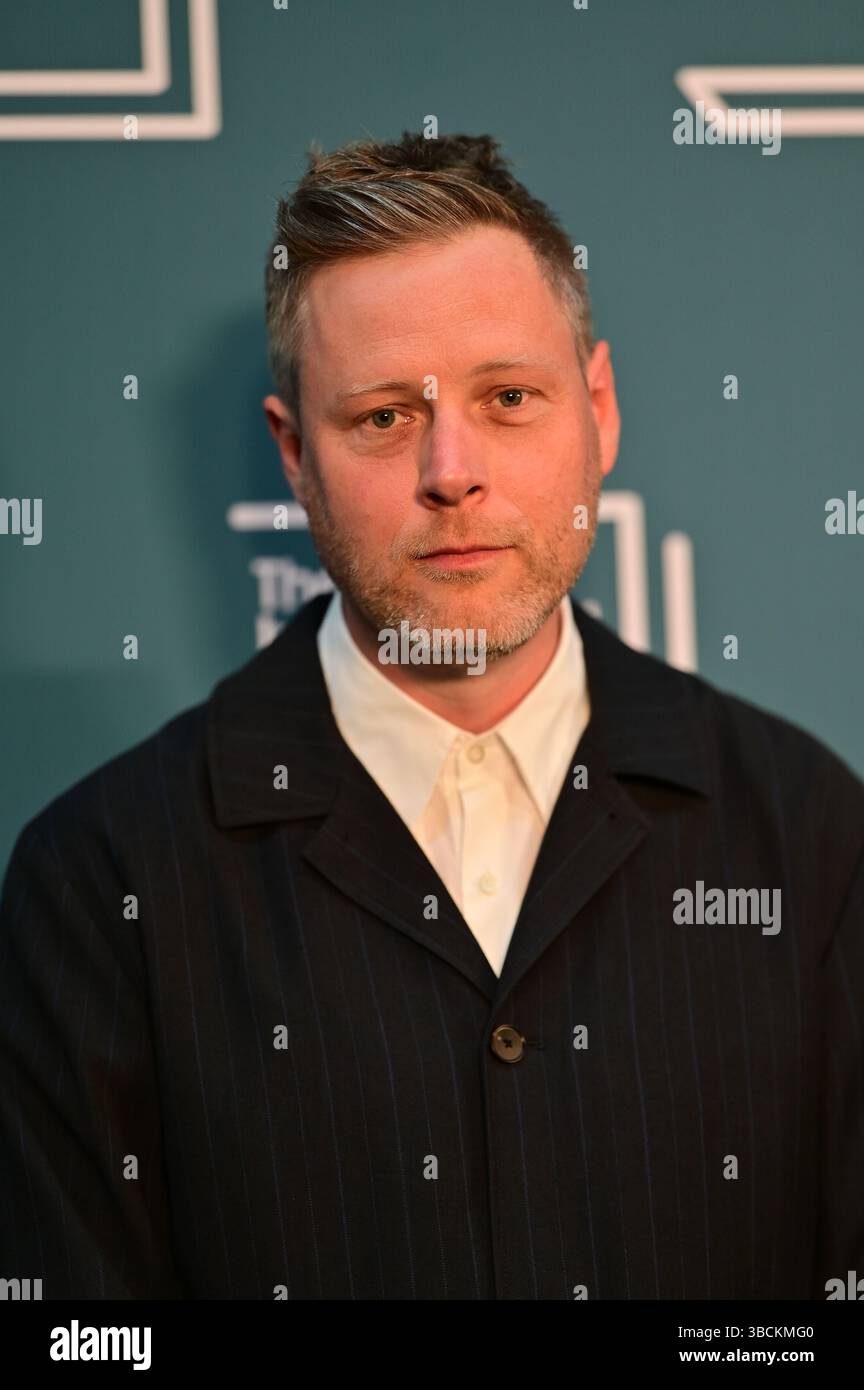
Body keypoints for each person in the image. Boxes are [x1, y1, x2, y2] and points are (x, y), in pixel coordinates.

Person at [1, 131, 862, 1301]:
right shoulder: (95, 881)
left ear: (598, 410)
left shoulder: (809, 832)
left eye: (509, 396)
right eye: (383, 420)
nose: (452, 470)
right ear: (295, 457)